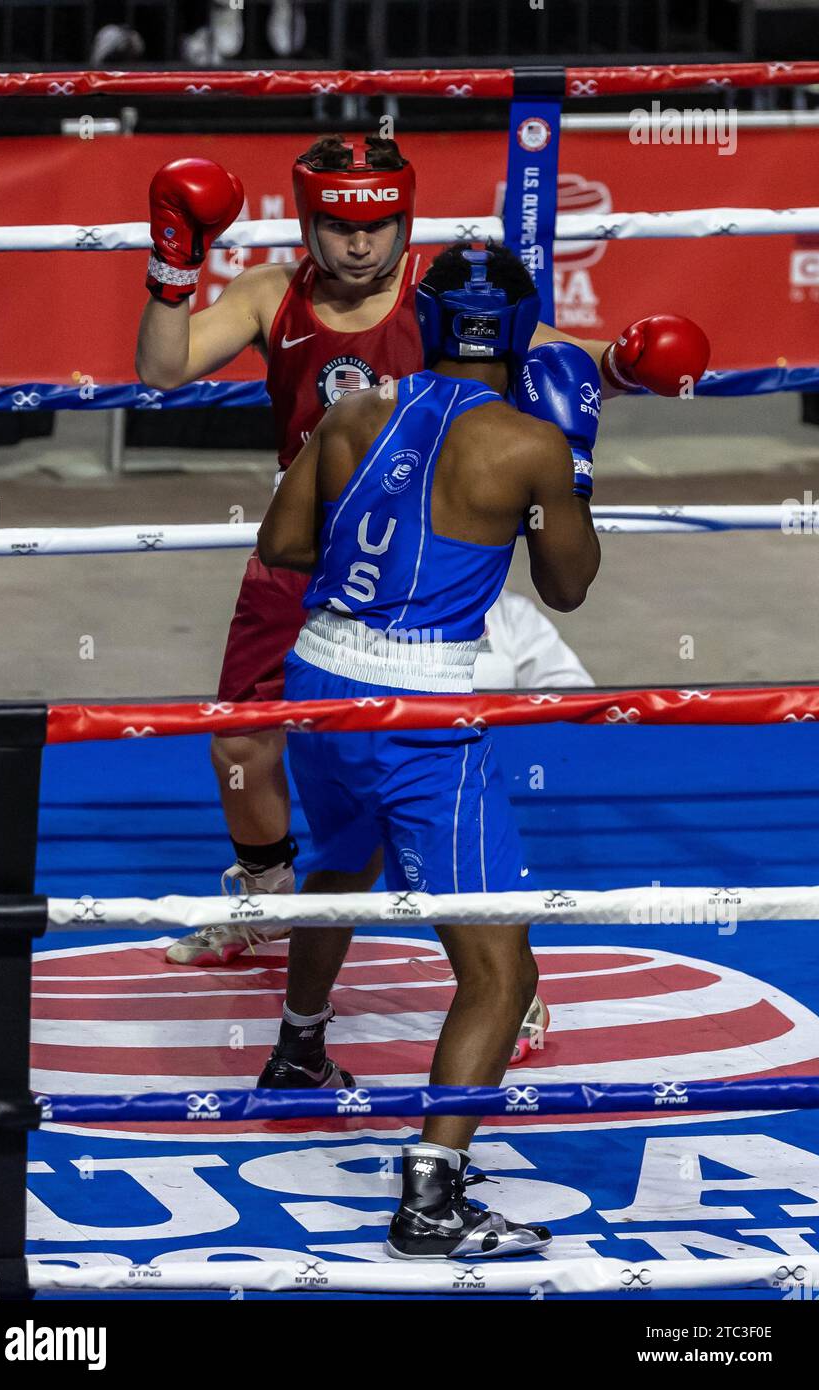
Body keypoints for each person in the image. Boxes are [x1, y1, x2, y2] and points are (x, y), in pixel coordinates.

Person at [134, 136, 709, 968]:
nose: (359, 244)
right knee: (241, 741)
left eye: (380, 225)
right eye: (337, 226)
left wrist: (620, 365)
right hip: (299, 546)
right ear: (306, 219)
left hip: (413, 565)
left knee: (419, 767)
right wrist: (173, 263)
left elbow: (557, 356)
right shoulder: (270, 294)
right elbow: (161, 369)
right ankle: (268, 901)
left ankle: (495, 968)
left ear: (406, 218)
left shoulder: (442, 301)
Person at [253, 243, 604, 1259]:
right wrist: (571, 461)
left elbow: (281, 547)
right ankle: (431, 1197)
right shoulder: (529, 444)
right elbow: (570, 587)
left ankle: (299, 1049)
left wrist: (391, 534)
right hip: (420, 701)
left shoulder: (355, 407)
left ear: (432, 320)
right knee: (500, 967)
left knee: (341, 858)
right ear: (525, 327)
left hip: (318, 679)